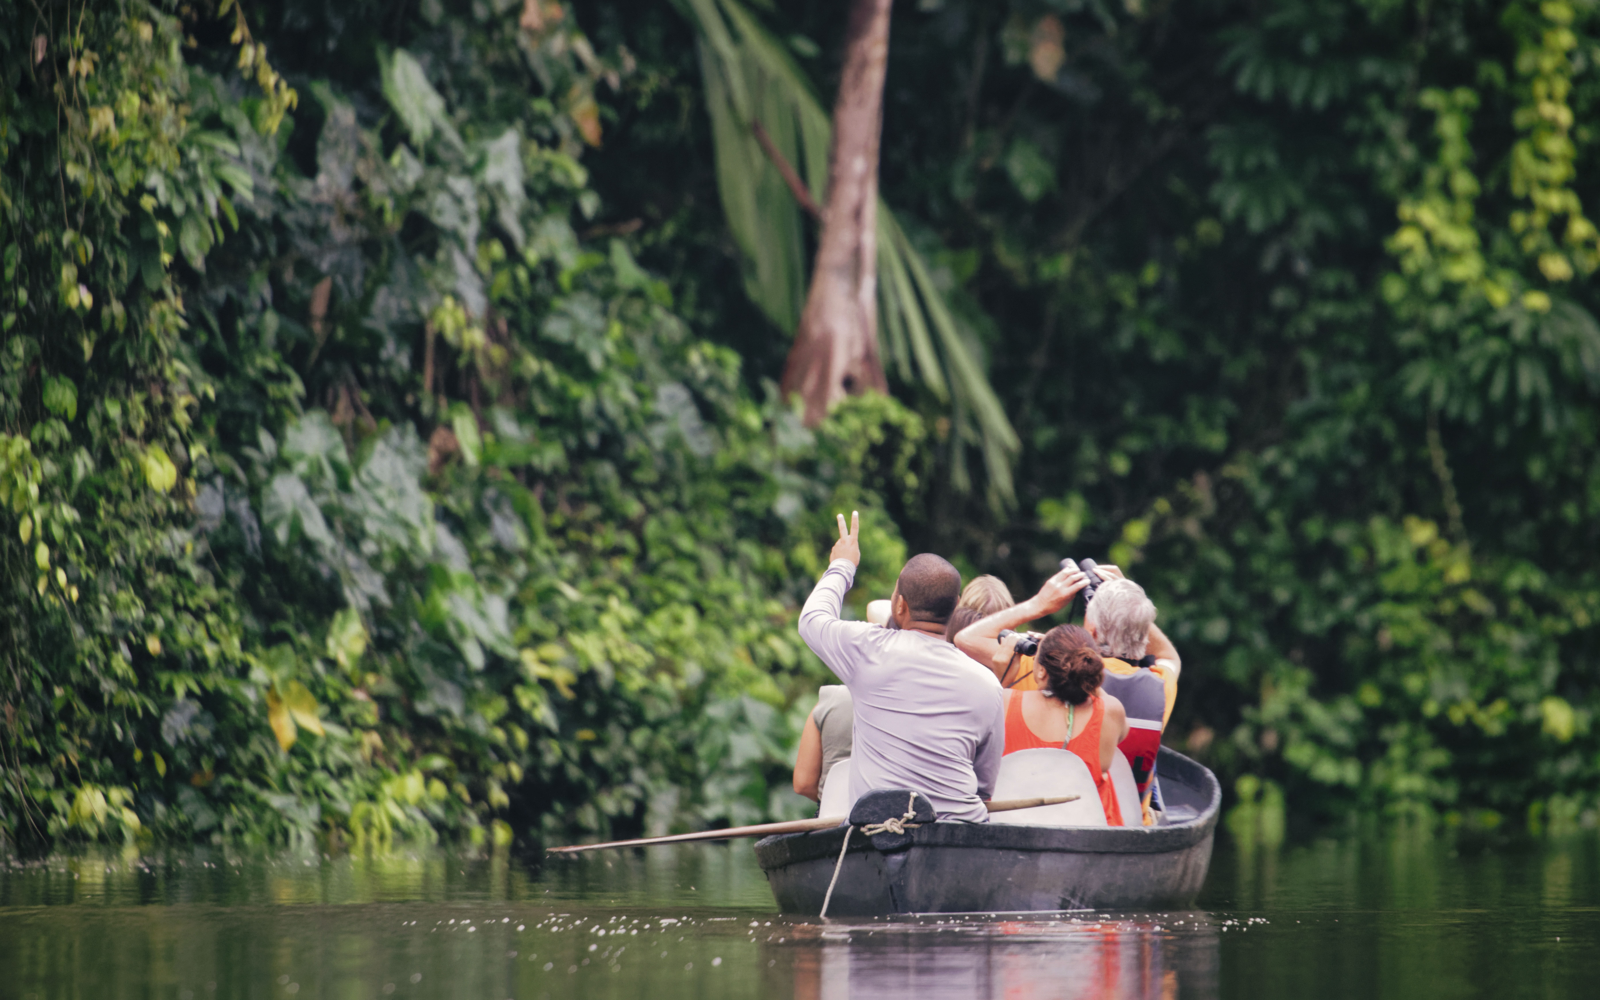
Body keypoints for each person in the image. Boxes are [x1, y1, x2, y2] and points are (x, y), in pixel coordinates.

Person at [797, 511, 1005, 823]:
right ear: (956, 605)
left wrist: (843, 564)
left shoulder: (867, 649)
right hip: (960, 832)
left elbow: (812, 619)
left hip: (878, 829)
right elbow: (984, 787)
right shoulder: (988, 684)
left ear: (899, 605)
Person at [1001, 624, 1128, 825]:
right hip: (1092, 834)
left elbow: (983, 719)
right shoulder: (1111, 712)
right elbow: (1121, 733)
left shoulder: (1004, 701)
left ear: (1041, 671)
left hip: (1016, 829)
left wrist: (1003, 675)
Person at [1084, 568, 1181, 818]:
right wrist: (1134, 612)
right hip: (1133, 821)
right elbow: (1169, 656)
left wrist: (1039, 605)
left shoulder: (1056, 672)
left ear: (1092, 631)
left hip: (1077, 814)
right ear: (1144, 635)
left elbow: (971, 639)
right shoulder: (1161, 685)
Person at [792, 684, 853, 802]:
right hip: (894, 815)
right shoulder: (898, 701)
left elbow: (803, 784)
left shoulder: (833, 698)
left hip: (835, 813)